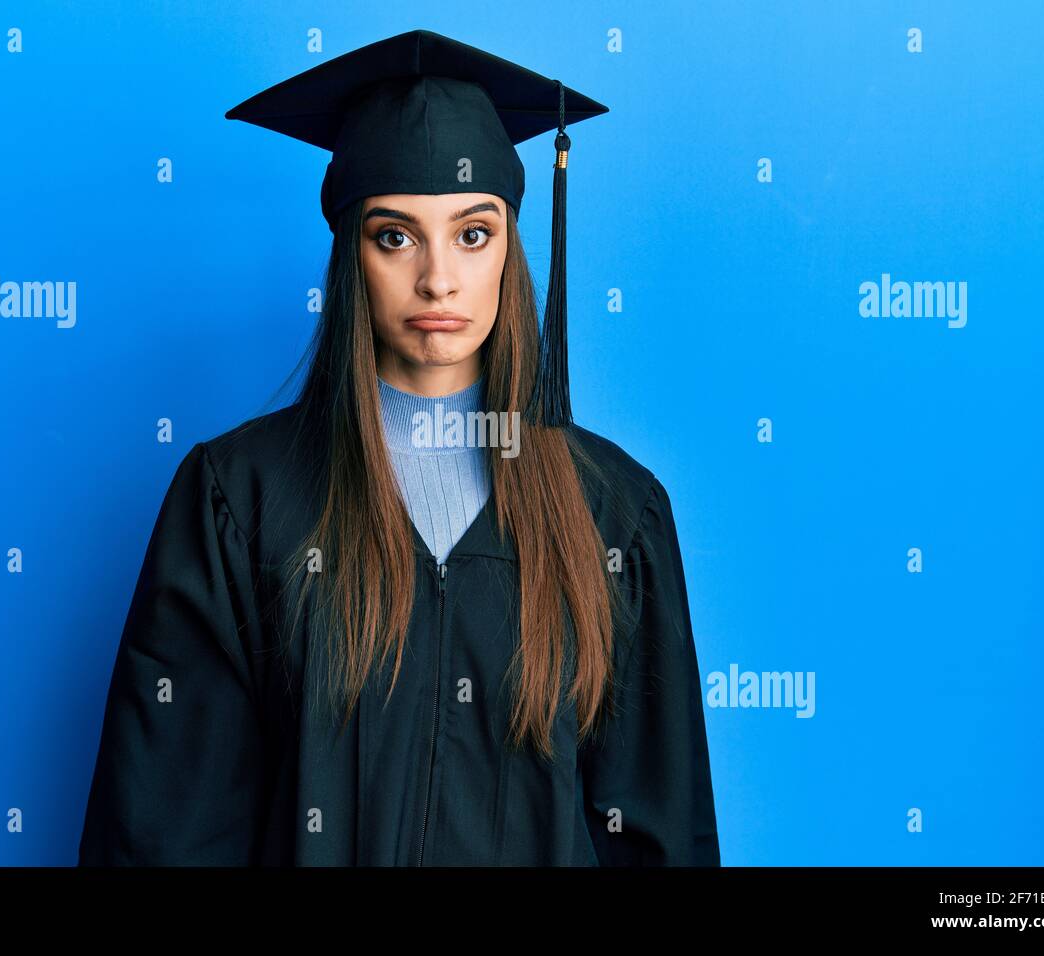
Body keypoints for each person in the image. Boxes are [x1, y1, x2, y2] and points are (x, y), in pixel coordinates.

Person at [77, 29, 720, 866]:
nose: (438, 279)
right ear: (352, 257)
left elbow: (656, 833)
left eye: (473, 234)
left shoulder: (613, 513)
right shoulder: (239, 499)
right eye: (395, 236)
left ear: (511, 256)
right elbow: (166, 827)